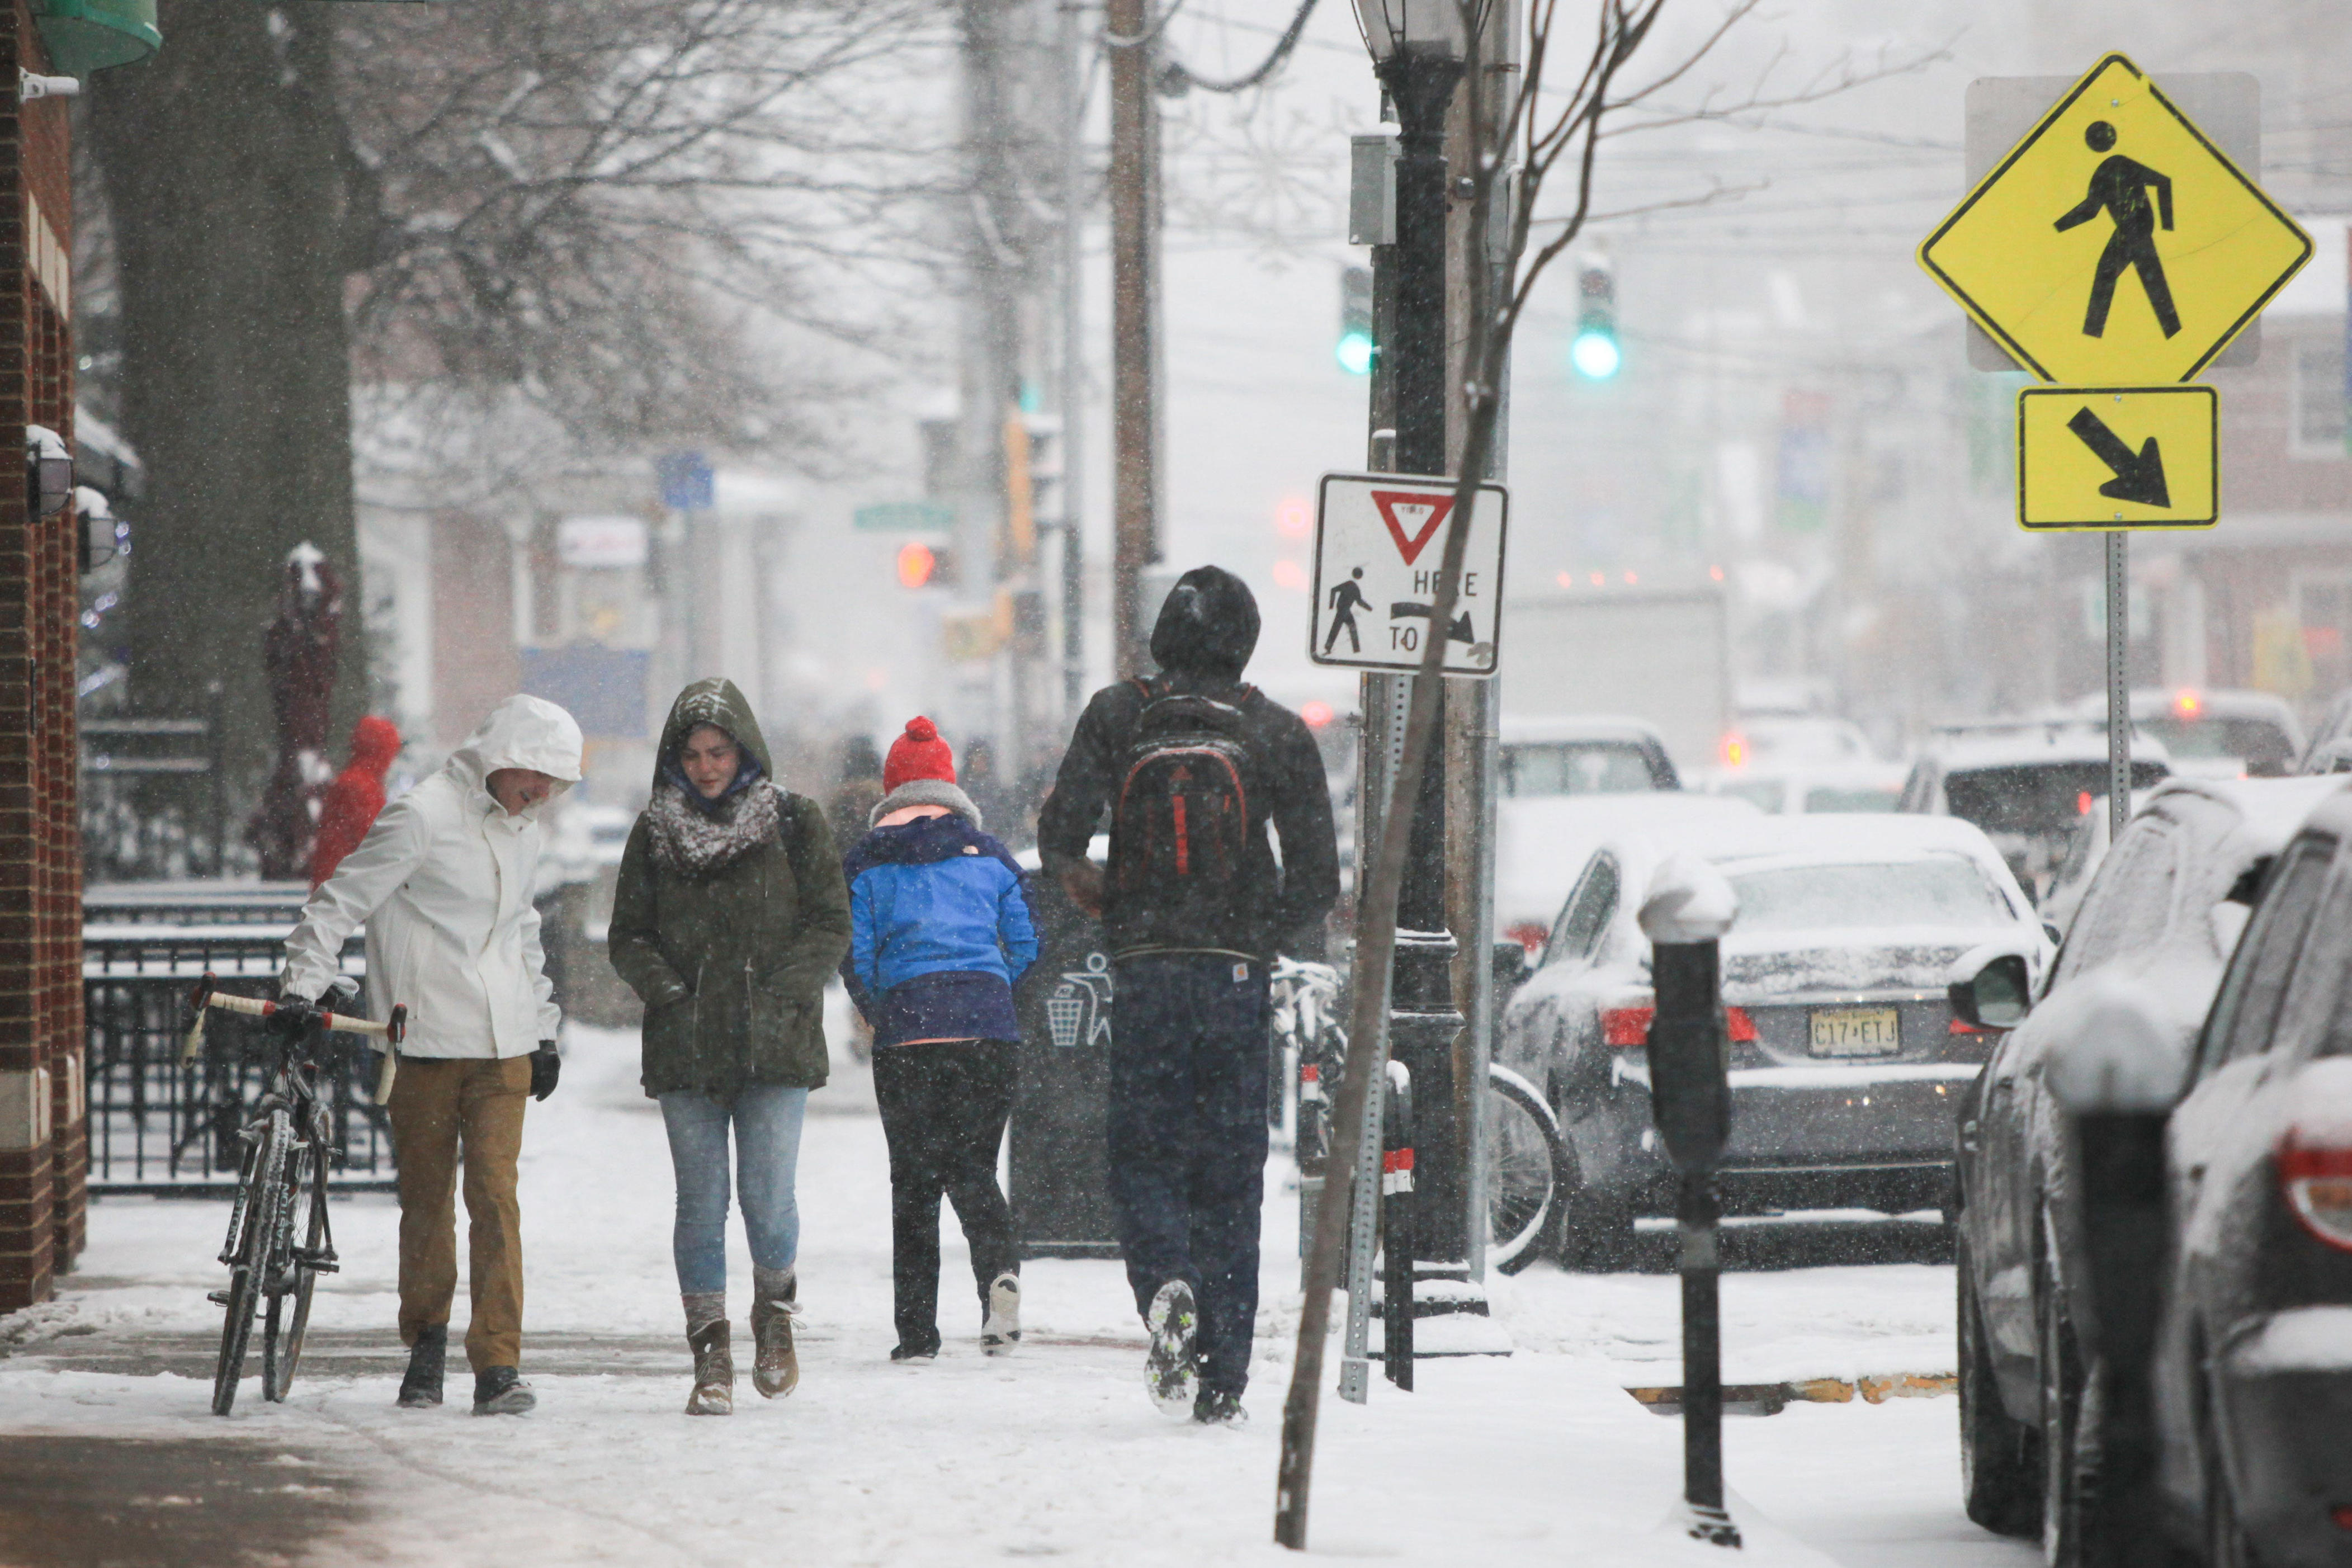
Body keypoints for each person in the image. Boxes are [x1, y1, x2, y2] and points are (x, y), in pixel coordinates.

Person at [1036, 566, 1339, 1424]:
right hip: (1231, 977)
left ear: (1161, 639)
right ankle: (1224, 1376)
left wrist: (1098, 887)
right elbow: (1317, 876)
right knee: (1230, 1170)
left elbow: (1060, 831)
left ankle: (1165, 1280)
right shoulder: (1274, 730)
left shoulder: (1118, 714)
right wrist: (1257, 931)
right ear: (1244, 643)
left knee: (1142, 1153)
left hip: (1144, 970)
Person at [280, 694, 582, 1416]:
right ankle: (427, 1346)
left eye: (553, 780)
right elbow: (340, 901)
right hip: (421, 1043)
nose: (538, 790)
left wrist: (542, 1030)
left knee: (495, 1200)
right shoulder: (421, 816)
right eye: (530, 773)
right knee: (426, 1201)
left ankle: (498, 1365)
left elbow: (522, 932)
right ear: (497, 755)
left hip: (503, 1045)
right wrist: (300, 986)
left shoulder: (522, 832)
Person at [608, 679, 851, 1416]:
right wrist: (672, 992)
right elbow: (630, 934)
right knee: (701, 1202)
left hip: (774, 1042)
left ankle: (773, 1317)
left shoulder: (794, 822)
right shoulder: (654, 833)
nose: (708, 767)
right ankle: (709, 1351)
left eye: (719, 751)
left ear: (743, 748)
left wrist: (779, 993)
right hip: (688, 1046)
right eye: (694, 754)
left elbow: (829, 922)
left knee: (768, 1203)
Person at [840, 717, 1038, 1363]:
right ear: (952, 786)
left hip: (909, 1032)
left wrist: (883, 1006)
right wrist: (988, 990)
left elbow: (857, 953)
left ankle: (917, 1331)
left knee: (915, 1182)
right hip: (986, 1028)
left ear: (891, 791)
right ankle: (999, 1277)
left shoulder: (867, 862)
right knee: (974, 1166)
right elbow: (1027, 944)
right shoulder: (992, 855)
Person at [309, 715, 402, 887]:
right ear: (380, 751)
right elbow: (374, 840)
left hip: (342, 886)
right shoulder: (360, 786)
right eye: (390, 752)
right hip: (347, 891)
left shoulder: (360, 782)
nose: (391, 760)